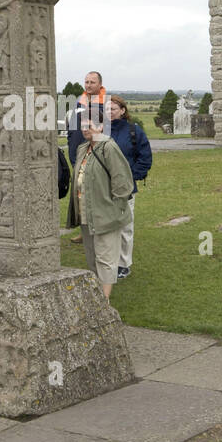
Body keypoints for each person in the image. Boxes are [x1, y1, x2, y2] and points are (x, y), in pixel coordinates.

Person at [67, 106, 134, 300]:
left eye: (90, 124)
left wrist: (113, 207)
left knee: (106, 259)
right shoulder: (82, 148)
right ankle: (96, 297)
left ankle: (103, 303)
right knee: (92, 257)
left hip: (106, 214)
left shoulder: (108, 147)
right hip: (86, 213)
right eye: (83, 124)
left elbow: (123, 183)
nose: (85, 128)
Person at [106, 95, 153, 279]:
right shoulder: (101, 131)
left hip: (126, 188)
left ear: (123, 111)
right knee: (107, 226)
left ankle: (123, 264)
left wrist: (130, 177)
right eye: (107, 109)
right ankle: (108, 261)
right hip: (103, 187)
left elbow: (145, 157)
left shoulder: (134, 131)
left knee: (125, 226)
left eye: (113, 109)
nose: (110, 113)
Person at [66, 70, 107, 163]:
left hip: (98, 158)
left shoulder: (108, 105)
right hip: (77, 157)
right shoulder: (78, 103)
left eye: (92, 82)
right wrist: (71, 145)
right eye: (86, 82)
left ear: (100, 84)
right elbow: (71, 129)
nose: (88, 85)